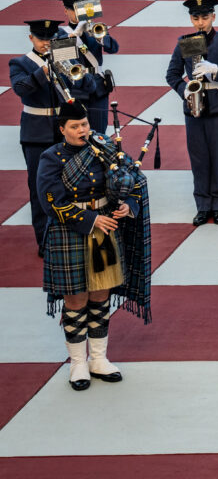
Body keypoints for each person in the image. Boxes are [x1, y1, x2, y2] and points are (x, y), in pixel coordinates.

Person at [36, 100, 151, 390]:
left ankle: (98, 359)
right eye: (75, 127)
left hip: (104, 226)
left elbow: (132, 179)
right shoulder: (52, 158)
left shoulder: (103, 146)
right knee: (76, 298)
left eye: (85, 125)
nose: (82, 130)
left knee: (100, 294)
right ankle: (77, 364)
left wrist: (128, 204)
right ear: (62, 129)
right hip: (72, 231)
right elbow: (51, 203)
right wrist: (90, 219)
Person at [14, 18, 95, 254]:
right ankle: (45, 240)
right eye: (41, 39)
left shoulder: (64, 54)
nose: (46, 44)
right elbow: (21, 89)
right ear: (31, 38)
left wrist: (71, 67)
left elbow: (88, 86)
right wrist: (44, 72)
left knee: (72, 183)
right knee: (39, 187)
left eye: (50, 39)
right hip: (36, 133)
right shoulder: (20, 63)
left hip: (65, 131)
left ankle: (71, 232)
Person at [165, 0, 218, 226]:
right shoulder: (184, 42)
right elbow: (172, 75)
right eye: (196, 18)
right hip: (193, 107)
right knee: (198, 158)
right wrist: (184, 89)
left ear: (213, 17)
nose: (200, 23)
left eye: (205, 17)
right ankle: (202, 206)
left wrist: (216, 69)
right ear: (191, 18)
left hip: (217, 105)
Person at [55, 0, 118, 134]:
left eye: (81, 9)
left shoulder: (96, 28)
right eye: (74, 9)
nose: (78, 13)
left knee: (99, 130)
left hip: (98, 86)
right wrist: (74, 35)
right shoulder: (60, 33)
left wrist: (99, 36)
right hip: (76, 86)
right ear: (66, 10)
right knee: (78, 131)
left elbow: (114, 48)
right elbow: (60, 57)